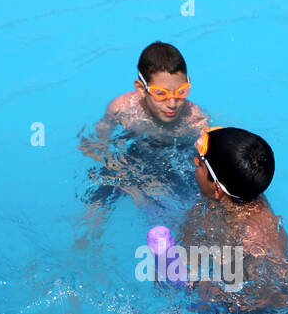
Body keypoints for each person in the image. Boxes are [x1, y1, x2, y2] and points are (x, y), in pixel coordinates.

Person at [178, 126, 288, 314]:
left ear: (217, 188)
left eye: (199, 162)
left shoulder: (254, 239)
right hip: (237, 274)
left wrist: (217, 293)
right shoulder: (235, 194)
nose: (193, 162)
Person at [77, 42, 211, 227]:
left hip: (177, 158)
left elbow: (209, 160)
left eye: (181, 92)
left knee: (195, 202)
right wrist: (114, 162)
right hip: (135, 153)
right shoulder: (122, 110)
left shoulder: (193, 119)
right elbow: (96, 143)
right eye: (160, 94)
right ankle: (87, 241)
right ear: (141, 88)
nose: (172, 103)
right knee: (98, 195)